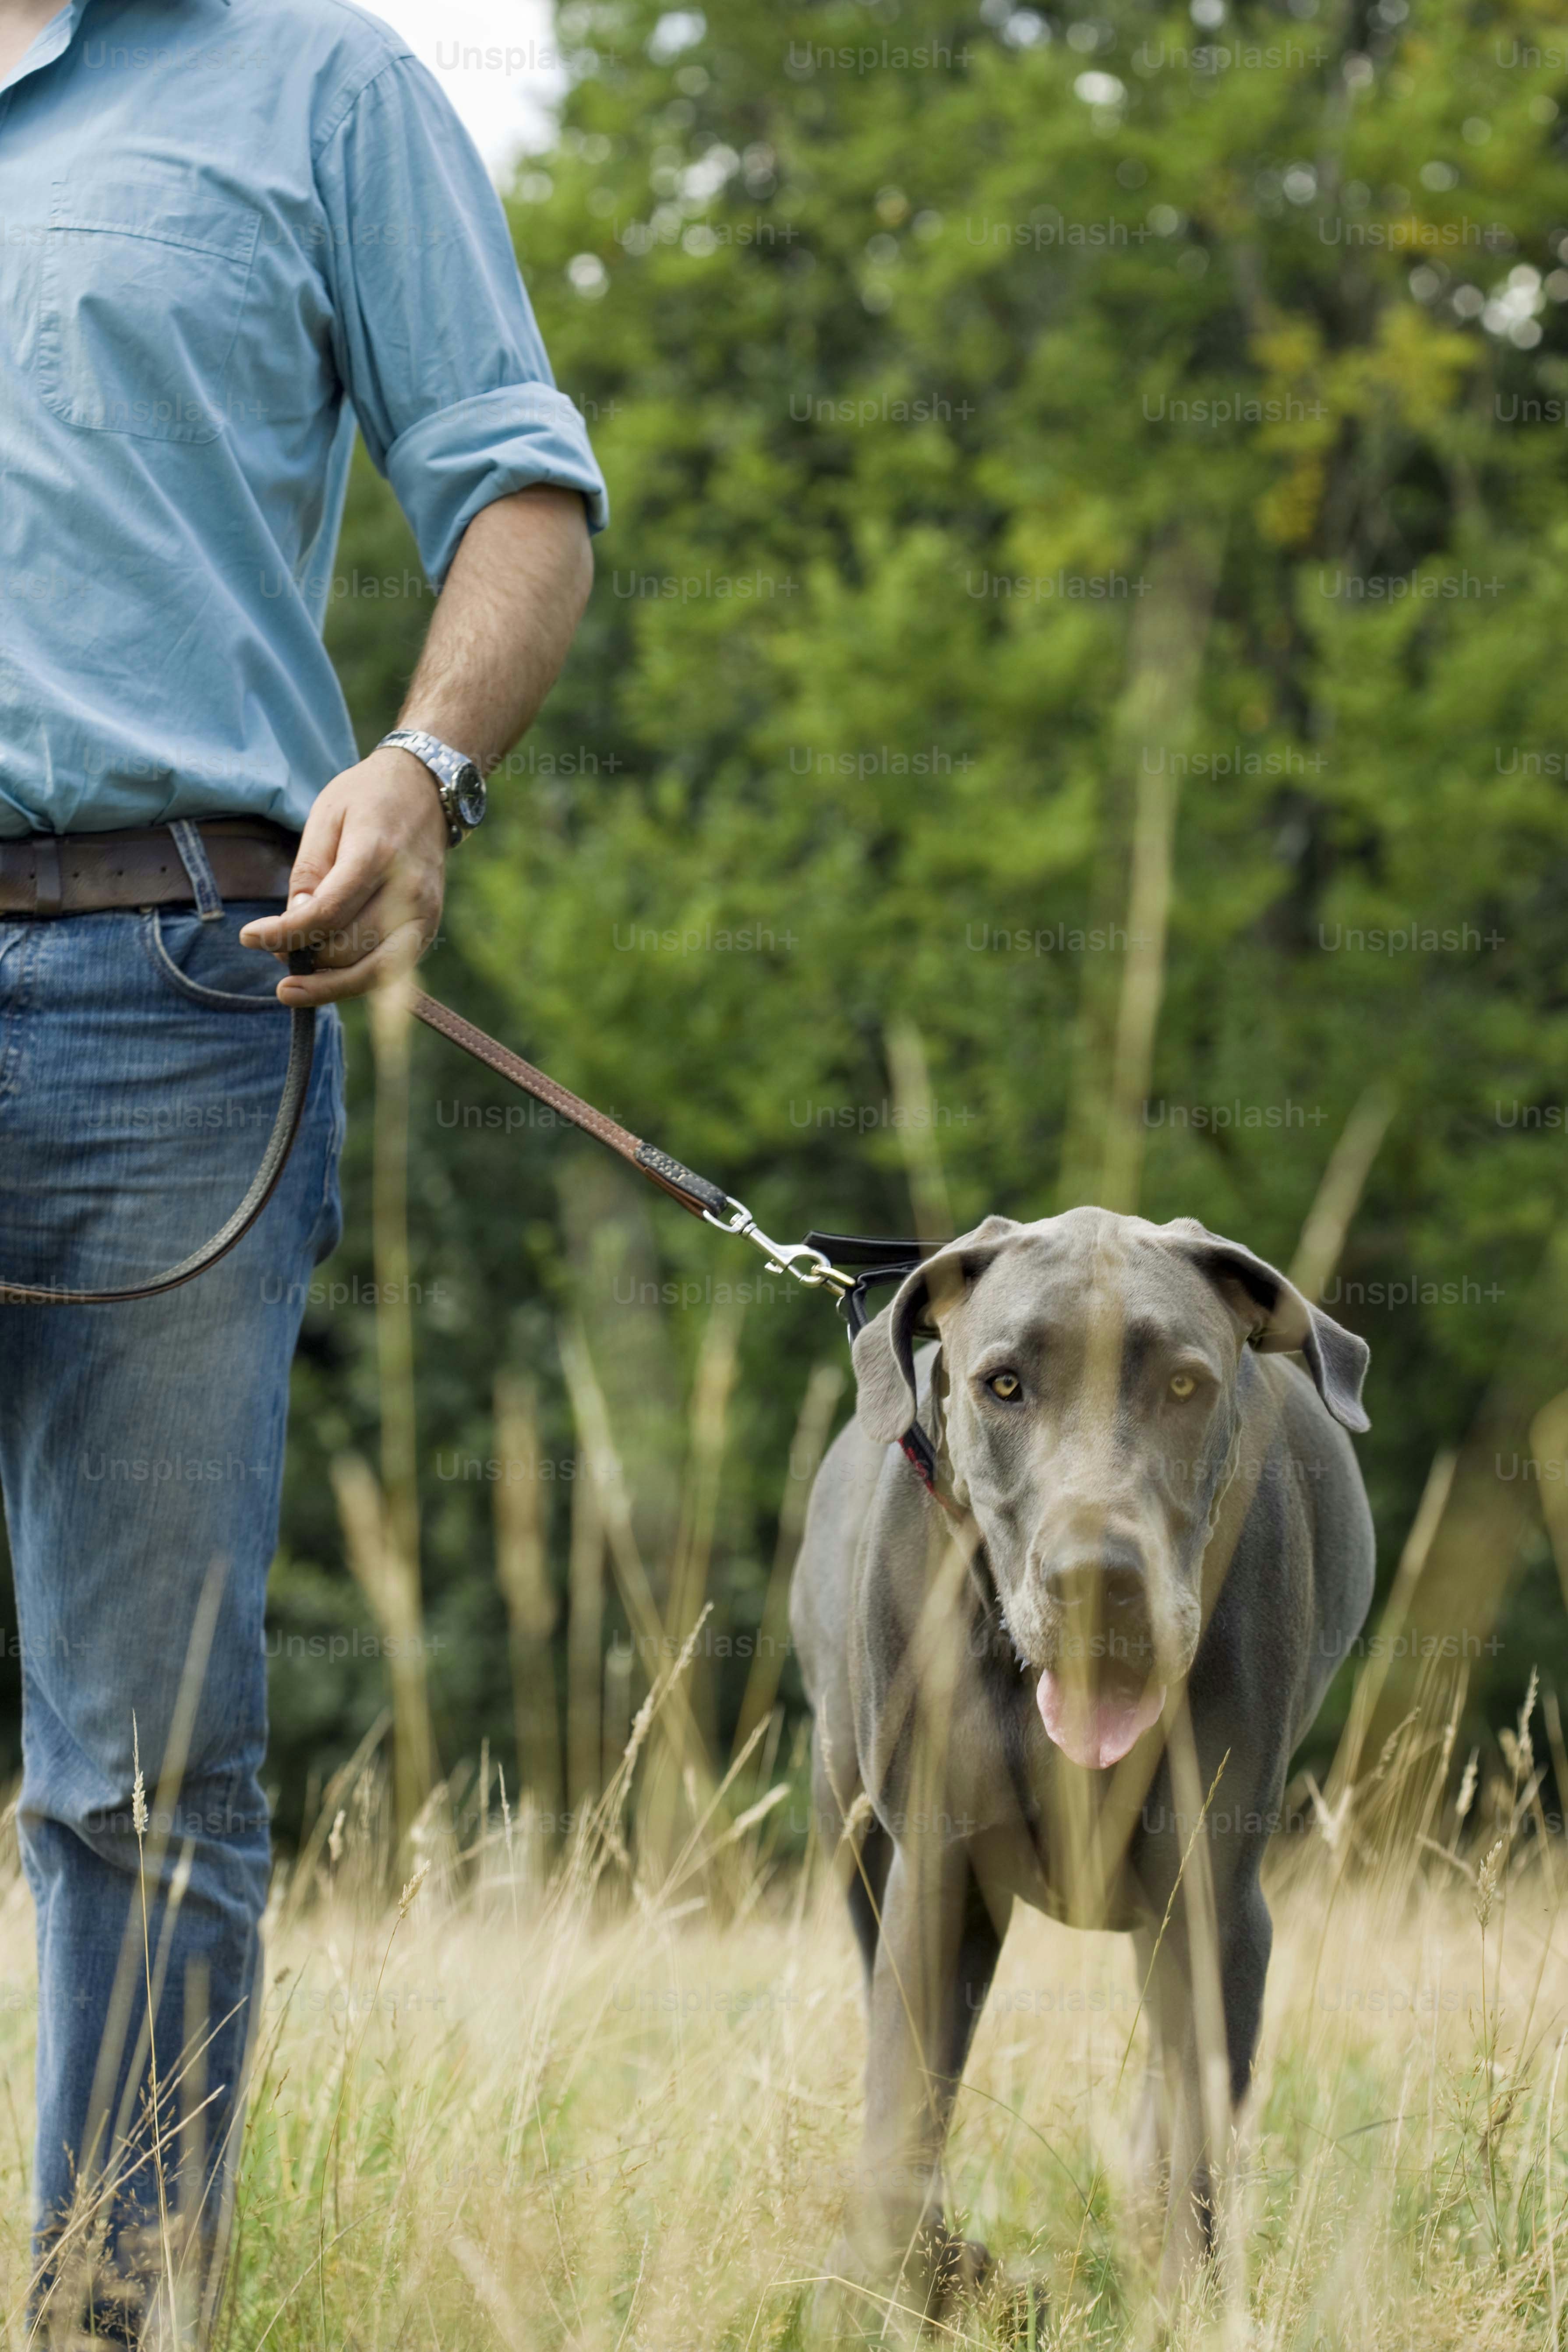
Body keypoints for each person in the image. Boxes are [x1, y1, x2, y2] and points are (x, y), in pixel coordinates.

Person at [0, 0, 606, 2334]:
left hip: (178, 991)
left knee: (142, 1773)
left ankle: (113, 2326)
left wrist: (425, 767)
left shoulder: (321, 90)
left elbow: (519, 484)